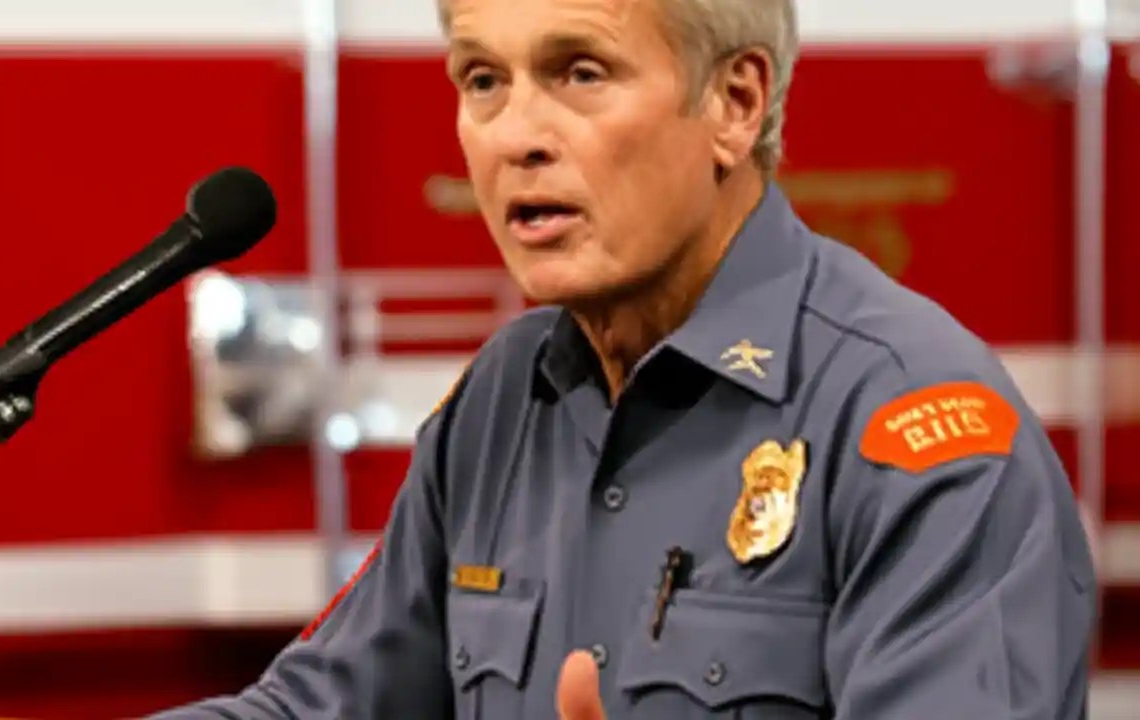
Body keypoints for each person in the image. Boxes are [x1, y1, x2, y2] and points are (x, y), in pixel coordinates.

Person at [154, 0, 1097, 717]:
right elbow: (318, 705)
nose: (517, 136)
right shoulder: (498, 402)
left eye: (580, 73)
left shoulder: (916, 426)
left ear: (736, 103)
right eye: (482, 80)